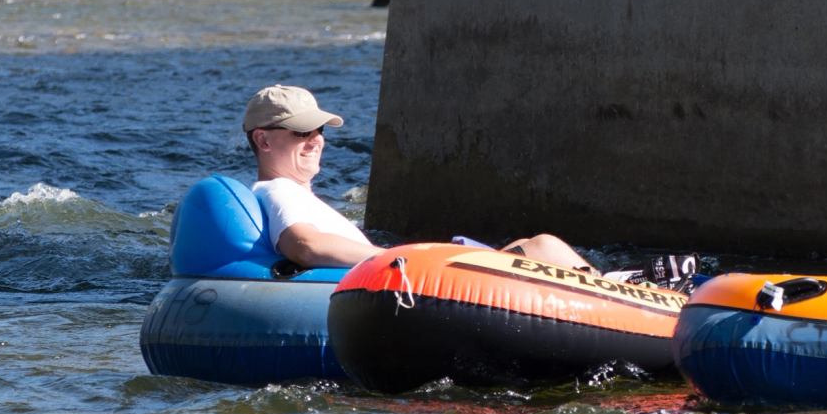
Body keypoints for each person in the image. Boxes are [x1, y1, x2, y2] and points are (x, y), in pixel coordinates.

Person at [241, 86, 597, 273]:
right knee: (542, 247)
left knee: (529, 245)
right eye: (302, 131)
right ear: (263, 140)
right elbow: (305, 245)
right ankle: (619, 299)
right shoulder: (279, 191)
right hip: (415, 279)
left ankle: (612, 292)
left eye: (319, 130)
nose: (316, 140)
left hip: (414, 276)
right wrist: (401, 258)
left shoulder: (291, 194)